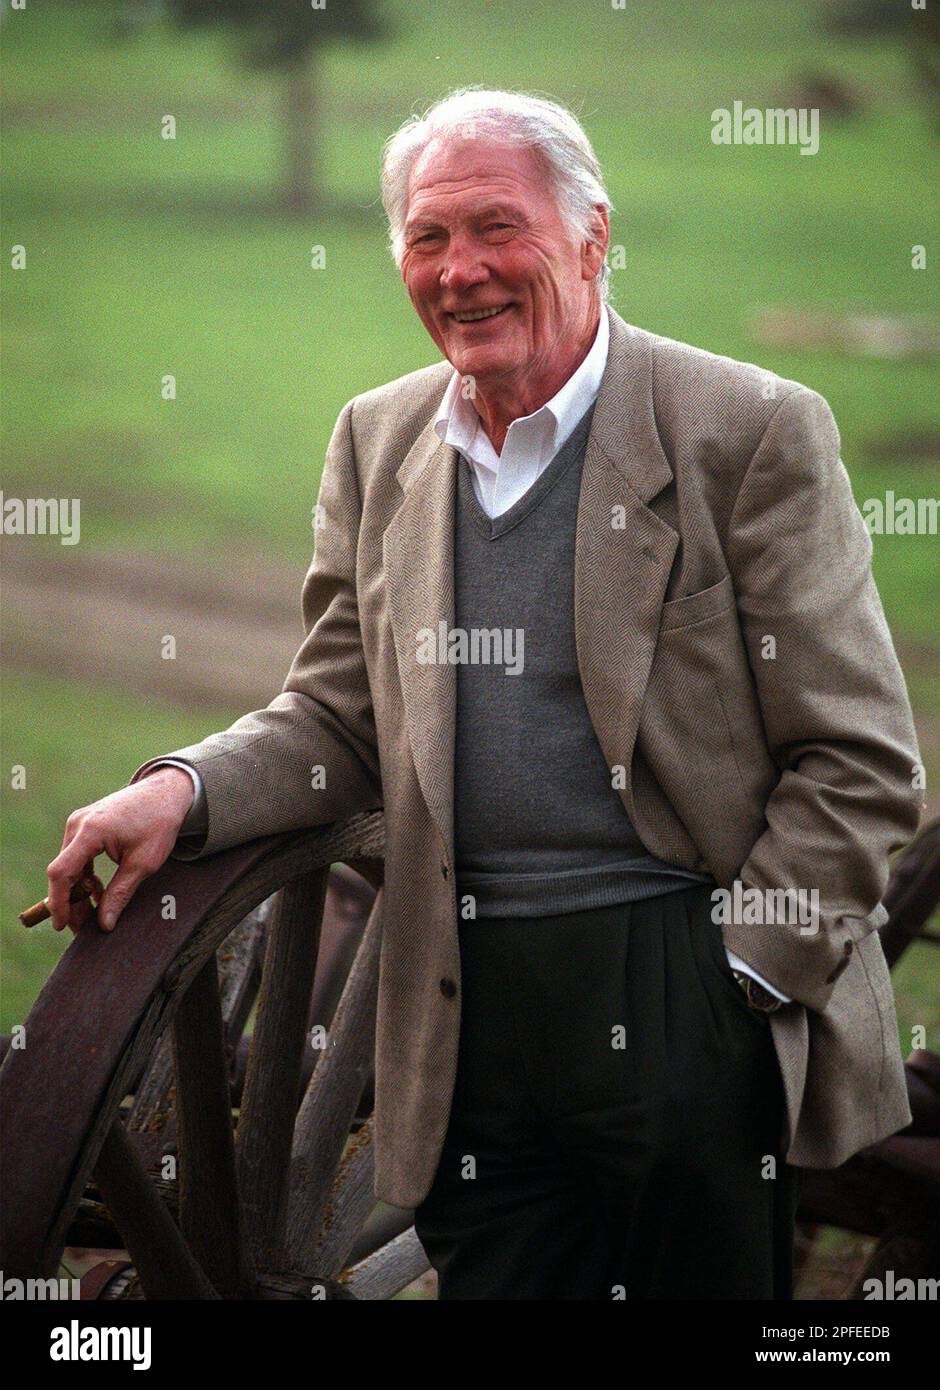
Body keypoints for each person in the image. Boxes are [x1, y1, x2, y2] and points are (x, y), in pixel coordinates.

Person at [47, 89, 922, 1300]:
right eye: (427, 238)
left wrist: (742, 980)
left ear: (591, 236)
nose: (462, 272)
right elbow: (335, 718)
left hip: (676, 965)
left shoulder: (746, 429)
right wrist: (178, 791)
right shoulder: (377, 439)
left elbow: (860, 760)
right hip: (459, 1009)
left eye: (496, 229)